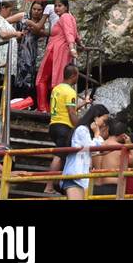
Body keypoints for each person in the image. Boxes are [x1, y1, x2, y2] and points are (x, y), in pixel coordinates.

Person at [43, 63, 92, 194]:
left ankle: (62, 185)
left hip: (53, 125)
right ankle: (49, 186)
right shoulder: (70, 91)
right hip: (63, 127)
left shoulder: (57, 89)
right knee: (59, 156)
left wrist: (83, 103)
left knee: (64, 155)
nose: (78, 79)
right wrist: (80, 127)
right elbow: (71, 113)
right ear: (74, 75)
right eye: (77, 75)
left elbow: (67, 108)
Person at [35, 0, 82, 115]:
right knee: (58, 80)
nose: (57, 8)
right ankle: (53, 108)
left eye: (60, 6)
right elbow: (75, 34)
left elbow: (69, 34)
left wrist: (72, 47)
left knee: (41, 79)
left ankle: (43, 108)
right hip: (62, 53)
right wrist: (80, 45)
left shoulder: (65, 17)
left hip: (55, 51)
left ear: (66, 7)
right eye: (55, 6)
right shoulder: (71, 17)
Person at [59, 104, 109, 199]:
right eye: (104, 120)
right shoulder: (82, 130)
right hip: (74, 176)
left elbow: (90, 150)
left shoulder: (85, 131)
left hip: (79, 176)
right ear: (95, 117)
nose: (104, 124)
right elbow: (92, 148)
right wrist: (97, 134)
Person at [15, 0, 51, 102]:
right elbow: (7, 22)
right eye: (34, 9)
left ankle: (26, 102)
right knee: (17, 76)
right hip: (19, 51)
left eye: (39, 10)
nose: (36, 11)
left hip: (31, 53)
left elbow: (44, 32)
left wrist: (31, 24)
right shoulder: (24, 17)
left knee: (28, 77)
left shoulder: (42, 23)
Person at [91, 116, 131, 197]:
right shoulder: (121, 148)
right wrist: (130, 146)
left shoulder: (97, 146)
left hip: (95, 188)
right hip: (112, 186)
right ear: (123, 135)